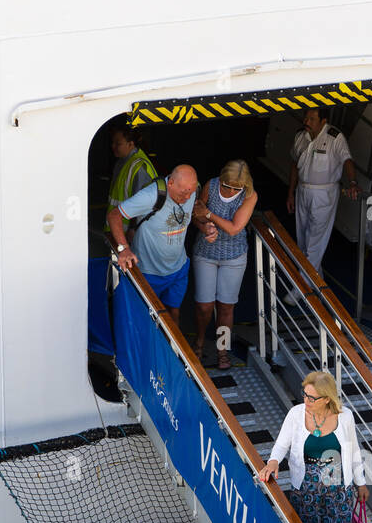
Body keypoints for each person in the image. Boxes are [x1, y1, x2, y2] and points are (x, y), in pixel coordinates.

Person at [257, 371, 369, 523]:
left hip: (337, 483)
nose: (306, 401)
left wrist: (361, 483)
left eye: (312, 398)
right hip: (306, 482)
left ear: (327, 399)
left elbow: (354, 451)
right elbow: (282, 444)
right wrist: (273, 461)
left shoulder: (345, 416)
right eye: (305, 395)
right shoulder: (296, 414)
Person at [107, 164, 212, 324]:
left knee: (173, 313)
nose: (186, 198)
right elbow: (114, 215)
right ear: (170, 183)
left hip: (178, 268)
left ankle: (171, 349)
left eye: (190, 192)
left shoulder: (191, 191)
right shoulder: (150, 196)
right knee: (144, 319)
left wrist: (205, 228)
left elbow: (189, 215)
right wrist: (124, 249)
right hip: (149, 272)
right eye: (183, 193)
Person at [192, 160, 258, 368]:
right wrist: (205, 229)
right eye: (226, 186)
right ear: (221, 180)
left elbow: (233, 229)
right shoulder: (211, 185)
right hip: (205, 253)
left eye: (235, 188)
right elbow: (196, 214)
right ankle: (199, 342)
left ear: (244, 187)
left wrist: (210, 215)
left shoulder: (250, 196)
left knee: (226, 308)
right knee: (204, 306)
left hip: (234, 257)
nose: (230, 192)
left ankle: (222, 350)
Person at [286, 109, 359, 274]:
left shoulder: (334, 137)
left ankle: (303, 284)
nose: (307, 121)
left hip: (324, 193)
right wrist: (291, 193)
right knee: (302, 238)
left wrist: (353, 182)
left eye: (312, 119)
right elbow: (294, 165)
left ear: (323, 121)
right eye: (306, 117)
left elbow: (346, 159)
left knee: (315, 240)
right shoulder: (300, 136)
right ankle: (316, 277)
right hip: (302, 191)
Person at [104, 120, 157, 234]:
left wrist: (133, 229)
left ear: (131, 144)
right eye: (113, 142)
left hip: (129, 232)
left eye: (118, 144)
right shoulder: (122, 162)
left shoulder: (139, 167)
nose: (113, 146)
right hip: (117, 228)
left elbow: (141, 203)